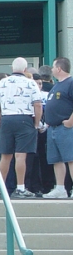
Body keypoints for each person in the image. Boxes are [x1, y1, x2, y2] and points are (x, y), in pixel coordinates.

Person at [0, 57, 42, 198]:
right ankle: (20, 188)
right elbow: (38, 104)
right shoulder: (30, 83)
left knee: (5, 155)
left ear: (12, 68)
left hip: (7, 119)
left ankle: (1, 188)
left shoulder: (2, 82)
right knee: (21, 155)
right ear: (25, 69)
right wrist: (36, 123)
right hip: (25, 119)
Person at [41, 57, 73, 198]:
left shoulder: (70, 83)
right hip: (53, 128)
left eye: (54, 67)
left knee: (71, 158)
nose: (52, 70)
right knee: (56, 159)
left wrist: (70, 121)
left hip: (65, 128)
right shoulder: (56, 85)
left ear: (59, 68)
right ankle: (60, 188)